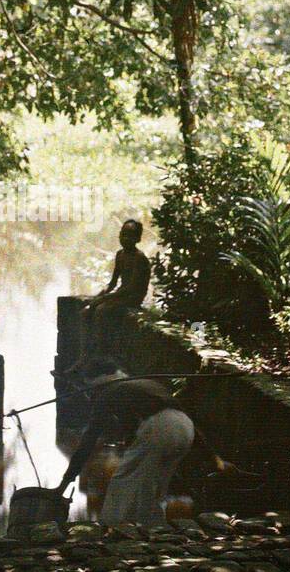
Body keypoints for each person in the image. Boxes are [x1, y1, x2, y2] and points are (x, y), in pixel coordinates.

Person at [55, 358, 196, 526]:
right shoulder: (139, 385)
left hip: (161, 427)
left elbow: (88, 441)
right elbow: (137, 424)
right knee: (152, 488)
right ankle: (154, 529)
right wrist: (214, 458)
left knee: (122, 483)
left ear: (97, 381)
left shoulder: (108, 392)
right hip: (186, 427)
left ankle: (112, 529)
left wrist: (64, 484)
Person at [69, 219, 150, 370]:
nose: (125, 238)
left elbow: (130, 288)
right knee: (85, 312)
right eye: (123, 234)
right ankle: (84, 356)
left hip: (133, 298)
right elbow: (113, 283)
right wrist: (100, 294)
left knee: (101, 310)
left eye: (130, 235)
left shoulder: (139, 258)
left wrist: (104, 299)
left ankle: (101, 355)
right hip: (121, 295)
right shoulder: (120, 255)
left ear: (138, 239)